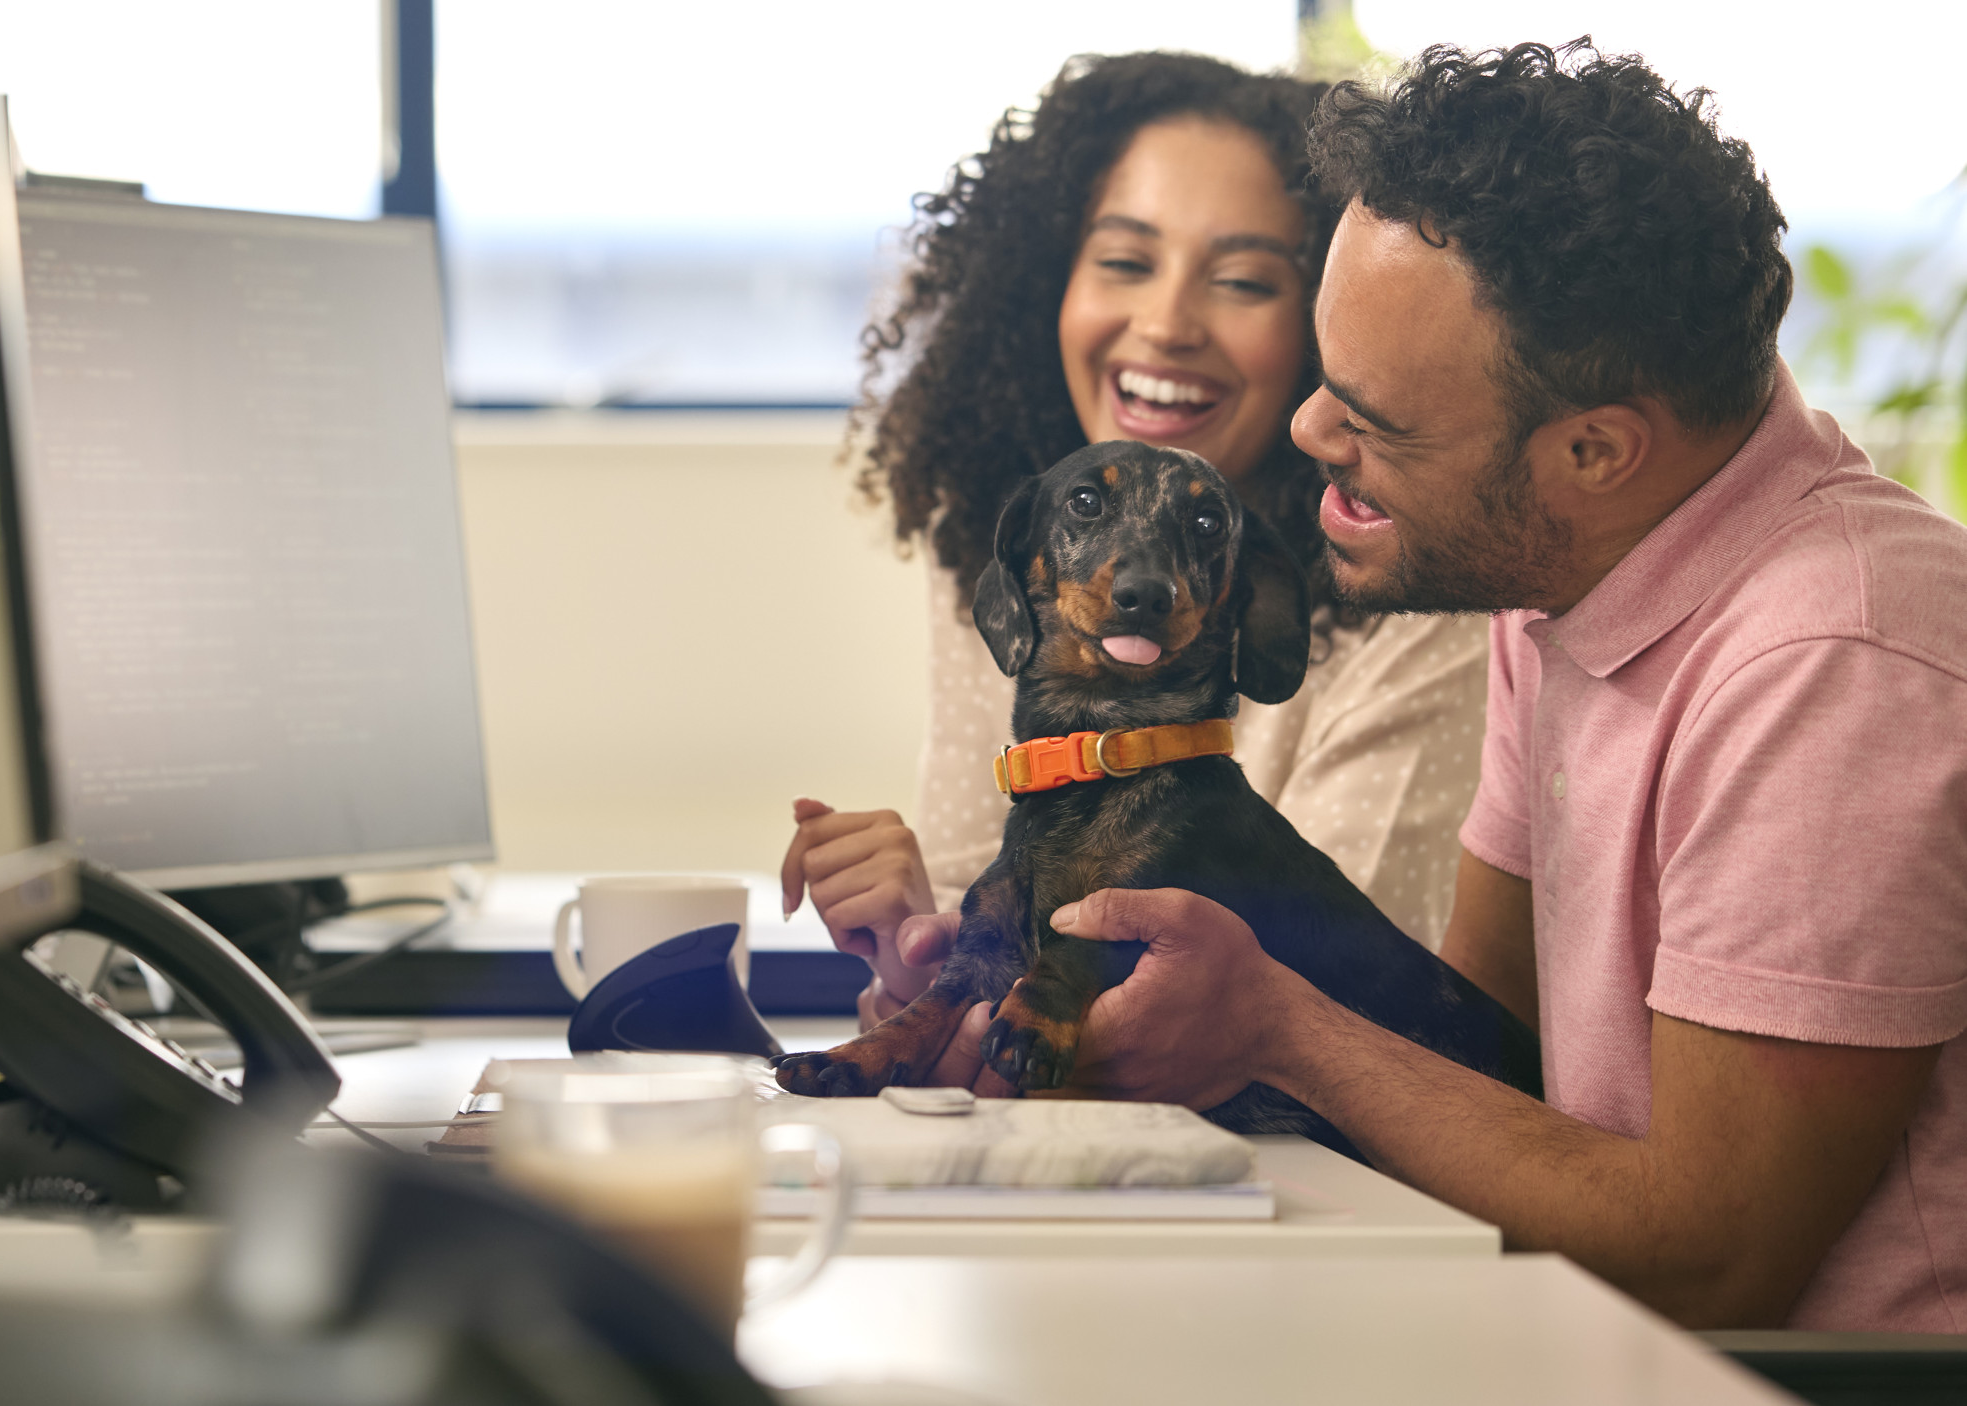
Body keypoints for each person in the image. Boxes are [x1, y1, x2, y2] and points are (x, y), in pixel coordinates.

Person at [915, 41, 1967, 1332]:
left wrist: (1280, 1026)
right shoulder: (1564, 577)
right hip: (1570, 1320)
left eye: (1373, 417)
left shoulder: (1833, 666)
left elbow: (1711, 1263)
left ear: (1593, 451)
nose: (1306, 430)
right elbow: (1479, 1069)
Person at [781, 53, 1493, 1032]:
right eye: (1123, 263)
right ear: (1047, 289)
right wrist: (910, 941)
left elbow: (1315, 1013)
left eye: (1241, 280)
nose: (1164, 326)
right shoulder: (1023, 575)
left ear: (1328, 327)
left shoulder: (1421, 609)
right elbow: (991, 959)